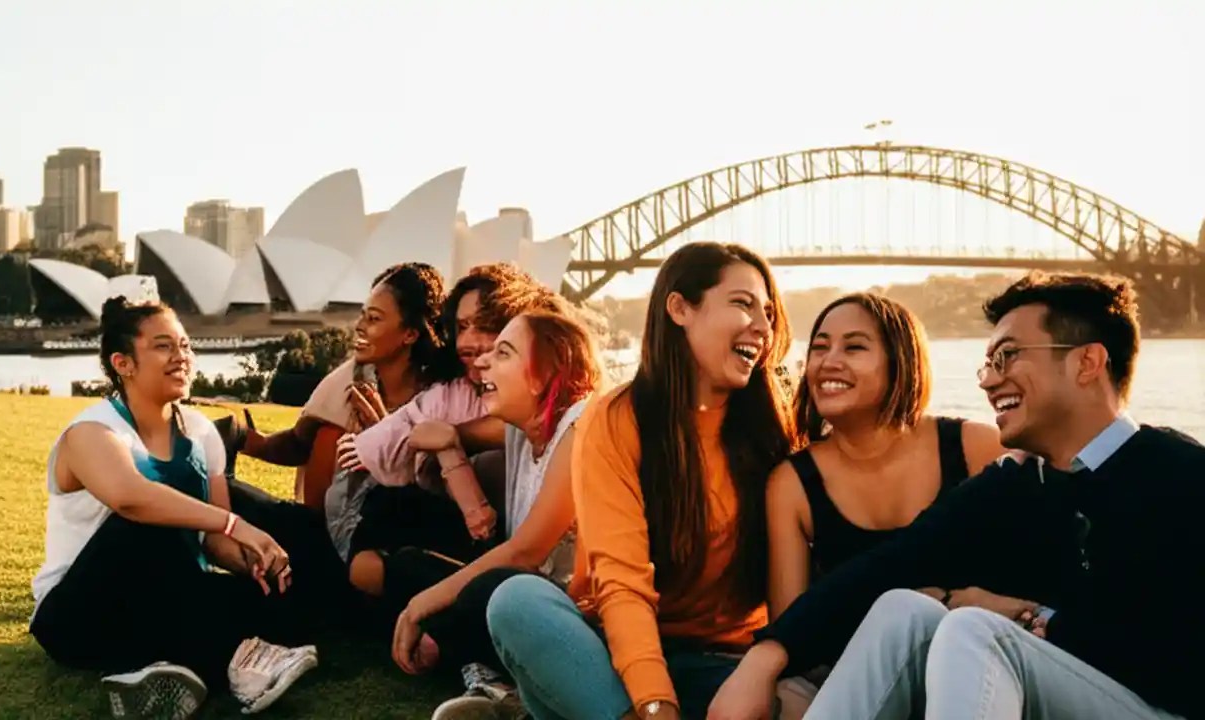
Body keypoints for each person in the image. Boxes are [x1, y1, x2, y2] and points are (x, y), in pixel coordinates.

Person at [708, 271, 1205, 720]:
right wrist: (765, 656)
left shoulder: (1181, 472)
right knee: (904, 608)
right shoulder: (1013, 485)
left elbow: (1173, 658)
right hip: (1056, 688)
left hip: (1159, 706)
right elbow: (887, 565)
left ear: (1087, 363)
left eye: (1007, 356)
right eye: (988, 363)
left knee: (974, 633)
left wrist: (1035, 620)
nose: (990, 380)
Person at [486, 241, 800, 720]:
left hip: (728, 667)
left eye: (768, 312)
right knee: (515, 601)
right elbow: (622, 582)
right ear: (679, 308)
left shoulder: (775, 430)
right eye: (743, 303)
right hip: (616, 654)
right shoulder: (616, 420)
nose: (763, 326)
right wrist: (655, 705)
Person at [29, 297, 318, 719]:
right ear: (123, 363)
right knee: (145, 527)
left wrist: (252, 564)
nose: (181, 356)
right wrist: (237, 523)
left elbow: (215, 544)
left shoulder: (201, 432)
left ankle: (163, 673)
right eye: (164, 346)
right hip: (80, 613)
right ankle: (236, 666)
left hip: (167, 597)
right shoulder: (91, 432)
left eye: (185, 346)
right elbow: (132, 498)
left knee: (278, 598)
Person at [766, 293, 1004, 716]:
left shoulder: (977, 449)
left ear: (901, 362)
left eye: (854, 347)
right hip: (858, 687)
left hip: (974, 677)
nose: (829, 361)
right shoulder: (793, 484)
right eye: (819, 347)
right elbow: (792, 632)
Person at [376, 309, 602, 720]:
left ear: (543, 374)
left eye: (504, 353)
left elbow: (525, 552)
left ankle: (502, 684)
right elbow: (482, 526)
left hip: (575, 619)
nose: (481, 362)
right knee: (409, 564)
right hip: (525, 603)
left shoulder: (582, 427)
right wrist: (447, 445)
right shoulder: (522, 428)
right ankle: (497, 678)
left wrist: (420, 608)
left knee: (485, 589)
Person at [330, 263, 571, 597]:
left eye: (488, 329)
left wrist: (453, 437)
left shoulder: (567, 427)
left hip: (535, 592)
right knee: (389, 508)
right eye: (462, 327)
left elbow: (524, 554)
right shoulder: (463, 396)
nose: (470, 344)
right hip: (502, 561)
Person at [219, 262, 456, 509]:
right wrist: (246, 439)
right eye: (363, 315)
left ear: (410, 334)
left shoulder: (441, 395)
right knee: (329, 435)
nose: (360, 326)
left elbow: (436, 487)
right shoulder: (353, 377)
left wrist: (382, 434)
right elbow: (299, 443)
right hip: (328, 515)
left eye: (374, 318)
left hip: (399, 521)